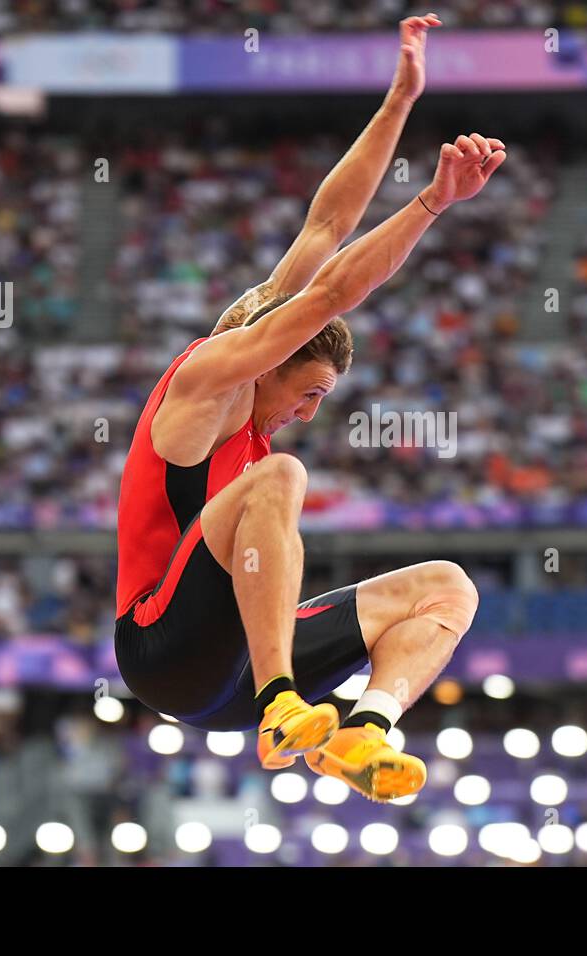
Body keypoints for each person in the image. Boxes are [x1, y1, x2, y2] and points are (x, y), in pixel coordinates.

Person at [115, 14, 504, 802]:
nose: (312, 412)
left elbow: (327, 225)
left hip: (227, 669)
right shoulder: (208, 382)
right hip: (164, 651)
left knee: (447, 586)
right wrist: (431, 200)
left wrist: (400, 99)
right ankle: (281, 706)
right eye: (313, 393)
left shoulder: (255, 387)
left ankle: (365, 729)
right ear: (275, 361)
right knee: (279, 479)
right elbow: (333, 289)